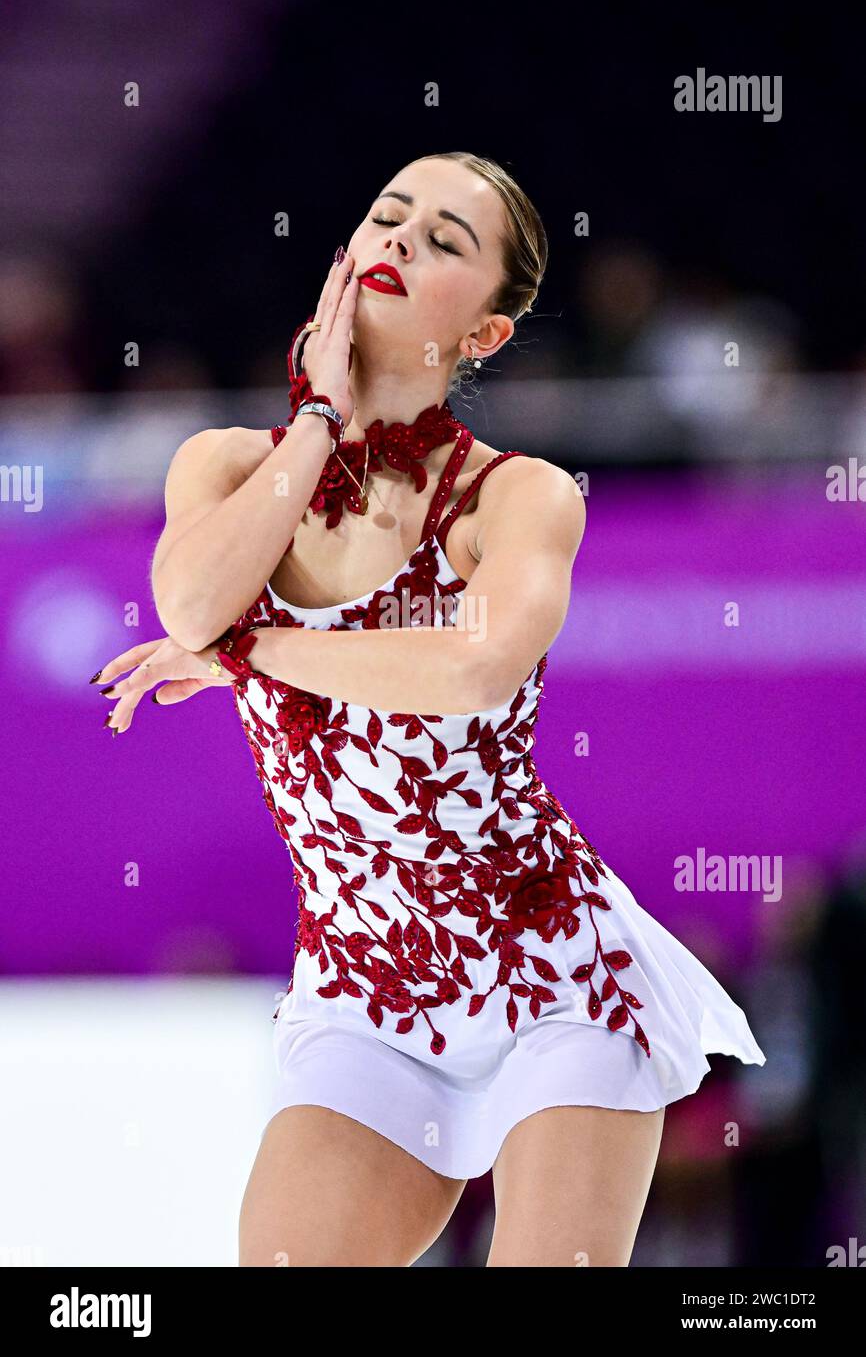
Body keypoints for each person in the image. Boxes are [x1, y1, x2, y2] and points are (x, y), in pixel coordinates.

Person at [91, 152, 766, 1267]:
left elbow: (472, 669)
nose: (399, 241)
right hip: (363, 991)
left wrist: (250, 653)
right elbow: (186, 599)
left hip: (550, 973)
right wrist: (315, 420)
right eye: (385, 217)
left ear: (484, 335)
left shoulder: (517, 495)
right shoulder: (222, 464)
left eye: (444, 240)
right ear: (343, 257)